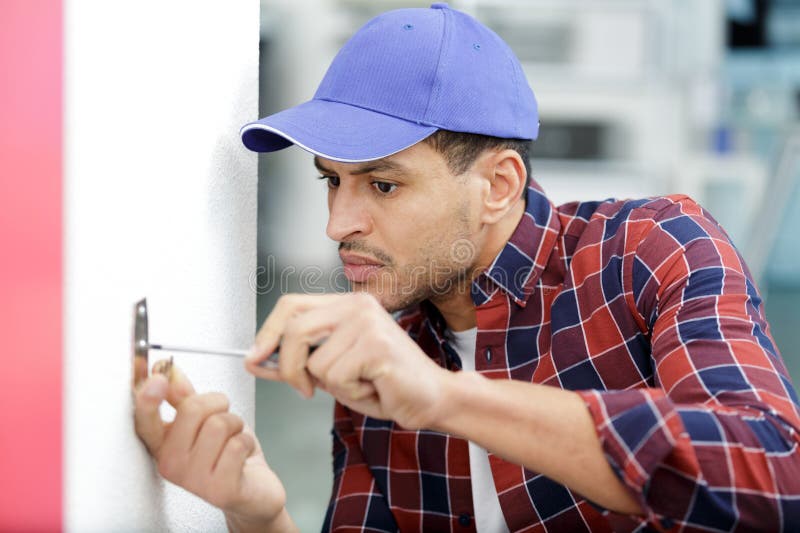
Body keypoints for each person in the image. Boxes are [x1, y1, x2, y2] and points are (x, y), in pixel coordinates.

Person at [133, 4, 800, 532]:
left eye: (383, 185)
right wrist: (259, 513)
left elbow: (777, 475)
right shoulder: (379, 372)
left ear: (499, 186)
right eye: (331, 182)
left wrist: (446, 397)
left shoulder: (652, 250)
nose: (337, 225)